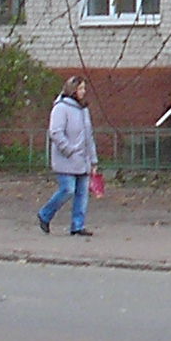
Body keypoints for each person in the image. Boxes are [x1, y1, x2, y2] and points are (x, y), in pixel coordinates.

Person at [38, 75, 98, 236]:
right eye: (80, 88)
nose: (83, 92)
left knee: (82, 193)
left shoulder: (83, 109)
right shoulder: (60, 108)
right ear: (72, 90)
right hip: (66, 160)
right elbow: (56, 133)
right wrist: (69, 150)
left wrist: (93, 160)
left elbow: (88, 136)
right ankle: (45, 214)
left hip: (83, 159)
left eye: (84, 88)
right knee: (68, 189)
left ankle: (78, 225)